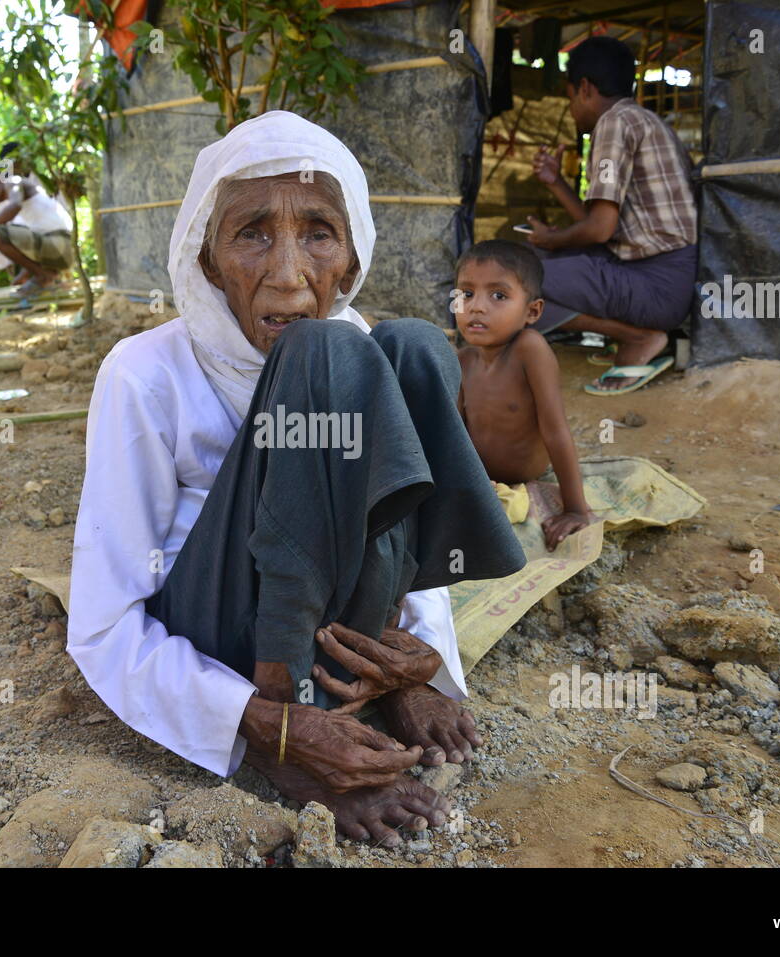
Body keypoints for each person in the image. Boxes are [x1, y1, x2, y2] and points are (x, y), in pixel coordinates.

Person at [66, 111, 527, 847]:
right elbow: (100, 627)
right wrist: (269, 726)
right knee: (325, 356)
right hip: (224, 632)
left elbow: (396, 503)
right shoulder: (144, 374)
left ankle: (369, 667)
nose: (287, 273)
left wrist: (418, 662)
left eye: (318, 233)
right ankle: (295, 719)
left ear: (350, 260)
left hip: (338, 612)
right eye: (252, 233)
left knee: (409, 347)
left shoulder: (362, 349)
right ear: (210, 260)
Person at [522, 35, 698, 396]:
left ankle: (638, 337)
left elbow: (600, 230)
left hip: (657, 286)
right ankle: (631, 335)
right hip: (667, 279)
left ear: (584, 88)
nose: (571, 108)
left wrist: (551, 239)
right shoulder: (644, 120)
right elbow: (602, 222)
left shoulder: (613, 123)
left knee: (518, 277)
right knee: (538, 261)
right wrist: (556, 183)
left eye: (570, 97)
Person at [453, 240, 595, 550]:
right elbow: (455, 435)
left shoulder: (529, 349)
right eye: (466, 294)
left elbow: (555, 430)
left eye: (499, 295)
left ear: (532, 311)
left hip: (524, 479)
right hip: (484, 482)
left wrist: (575, 509)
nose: (476, 306)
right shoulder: (462, 360)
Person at [0, 161, 74, 295]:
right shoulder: (26, 204)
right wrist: (24, 274)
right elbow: (30, 241)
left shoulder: (12, 181)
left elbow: (15, 206)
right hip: (61, 251)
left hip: (58, 246)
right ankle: (46, 276)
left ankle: (44, 276)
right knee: (5, 230)